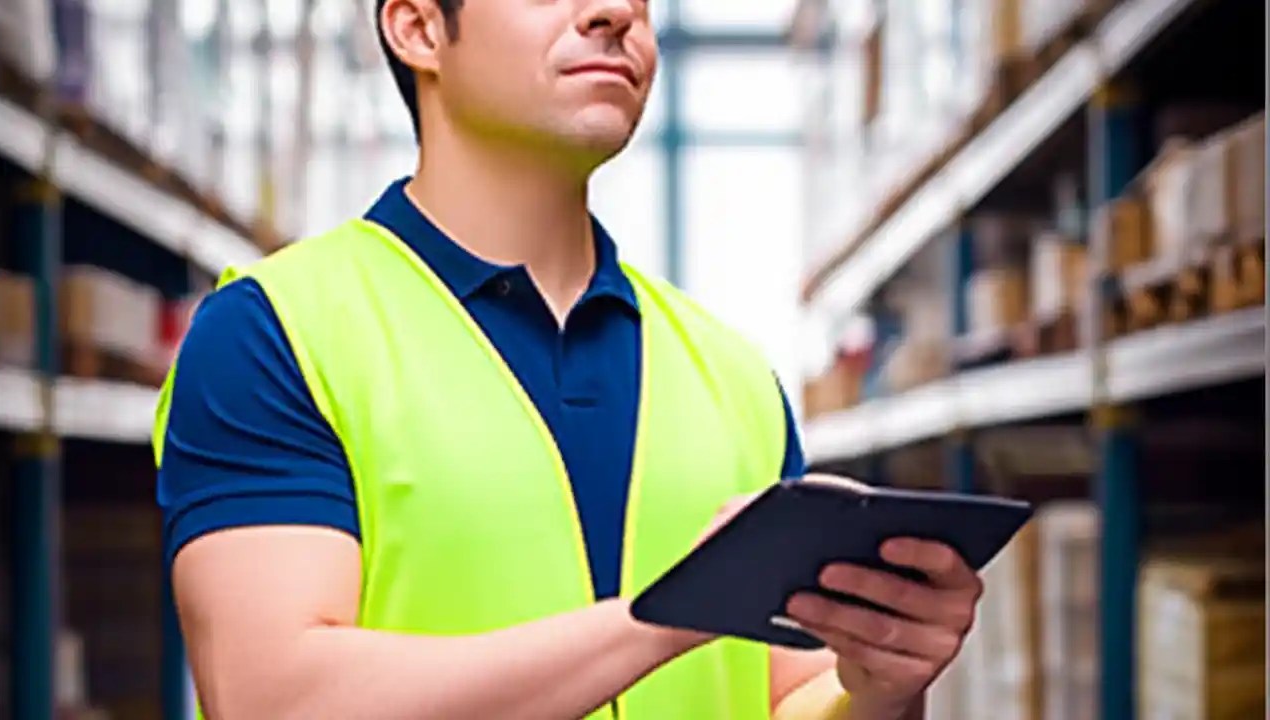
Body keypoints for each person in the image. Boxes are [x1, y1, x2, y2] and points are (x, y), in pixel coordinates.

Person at [153, 1, 985, 718]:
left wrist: (880, 686)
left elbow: (784, 696)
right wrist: (670, 615)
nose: (615, 12)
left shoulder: (731, 373)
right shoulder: (276, 333)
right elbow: (277, 698)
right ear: (418, 29)